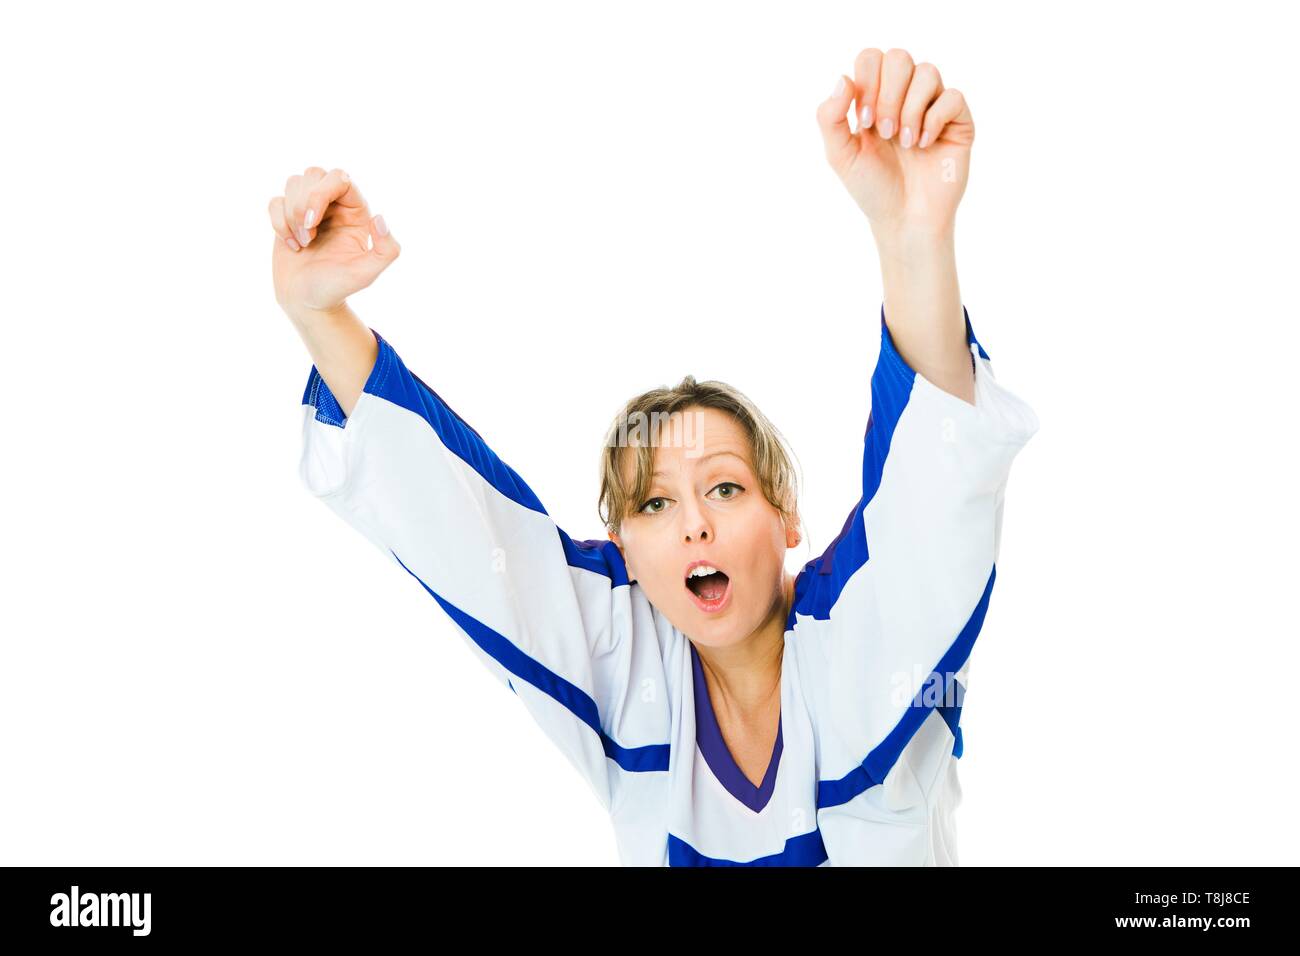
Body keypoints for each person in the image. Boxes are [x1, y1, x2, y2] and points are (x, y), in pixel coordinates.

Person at [266, 46, 1040, 866]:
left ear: (787, 520)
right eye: (655, 505)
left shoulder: (860, 636)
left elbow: (931, 492)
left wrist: (912, 236)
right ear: (625, 552)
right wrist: (321, 318)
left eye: (726, 488)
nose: (694, 525)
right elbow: (468, 535)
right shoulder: (625, 670)